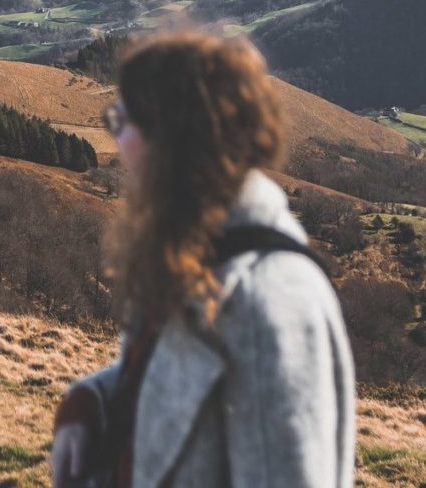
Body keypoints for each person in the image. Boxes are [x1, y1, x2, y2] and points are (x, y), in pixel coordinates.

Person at [51, 30, 355, 488]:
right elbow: (183, 377)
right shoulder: (200, 253)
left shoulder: (270, 301)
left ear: (181, 136)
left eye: (127, 119)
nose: (118, 139)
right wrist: (93, 400)